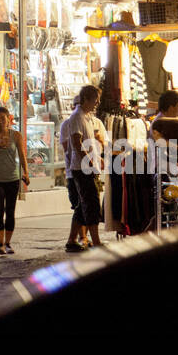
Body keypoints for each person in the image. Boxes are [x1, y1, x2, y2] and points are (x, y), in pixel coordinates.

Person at [59, 85, 106, 252]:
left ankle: (72, 240)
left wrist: (96, 158)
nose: (97, 103)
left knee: (83, 205)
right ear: (86, 99)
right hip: (82, 169)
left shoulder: (86, 117)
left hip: (86, 168)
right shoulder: (77, 117)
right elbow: (76, 143)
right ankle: (96, 241)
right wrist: (89, 161)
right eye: (95, 100)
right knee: (91, 204)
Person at [0, 106, 28, 255]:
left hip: (13, 178)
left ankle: (8, 242)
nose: (1, 122)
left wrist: (26, 173)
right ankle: (0, 243)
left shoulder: (16, 136)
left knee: (10, 210)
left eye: (3, 118)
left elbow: (22, 155)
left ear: (9, 119)